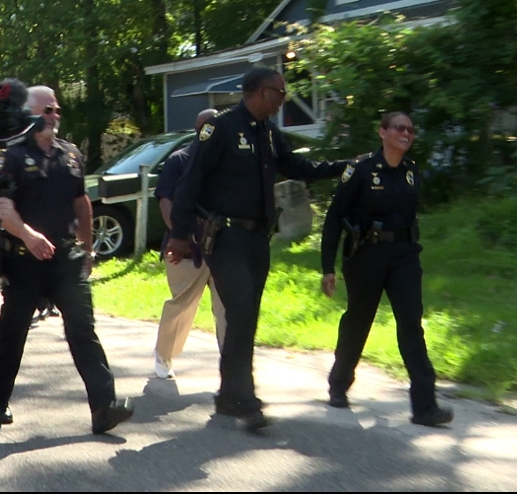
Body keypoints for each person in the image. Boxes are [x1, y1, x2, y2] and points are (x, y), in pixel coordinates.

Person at [167, 67, 347, 430]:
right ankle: (243, 399)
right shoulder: (220, 128)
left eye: (283, 93)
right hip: (226, 237)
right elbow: (192, 180)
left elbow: (296, 165)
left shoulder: (266, 131)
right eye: (278, 92)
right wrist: (181, 235)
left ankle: (228, 395)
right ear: (256, 92)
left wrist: (344, 168)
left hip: (256, 239)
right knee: (242, 311)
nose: (283, 99)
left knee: (244, 319)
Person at [0, 84, 134, 435]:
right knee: (13, 332)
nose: (53, 116)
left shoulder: (70, 154)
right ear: (28, 114)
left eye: (56, 110)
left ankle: (103, 406)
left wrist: (87, 247)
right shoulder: (11, 155)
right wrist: (28, 235)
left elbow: (81, 202)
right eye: (46, 110)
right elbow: (0, 209)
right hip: (24, 260)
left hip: (65, 257)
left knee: (83, 328)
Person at [320, 112, 453, 427]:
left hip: (404, 256)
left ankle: (424, 407)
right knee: (358, 321)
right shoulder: (361, 170)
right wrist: (328, 267)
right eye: (399, 128)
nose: (406, 133)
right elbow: (335, 217)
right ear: (382, 132)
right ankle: (339, 383)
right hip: (366, 255)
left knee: (411, 325)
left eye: (410, 129)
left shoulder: (410, 172)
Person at [153, 108, 226, 379]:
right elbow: (166, 200)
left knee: (227, 307)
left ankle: (230, 364)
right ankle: (164, 356)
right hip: (188, 248)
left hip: (222, 248)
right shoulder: (179, 160)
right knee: (182, 303)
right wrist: (181, 234)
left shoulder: (226, 163)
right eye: (206, 126)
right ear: (197, 127)